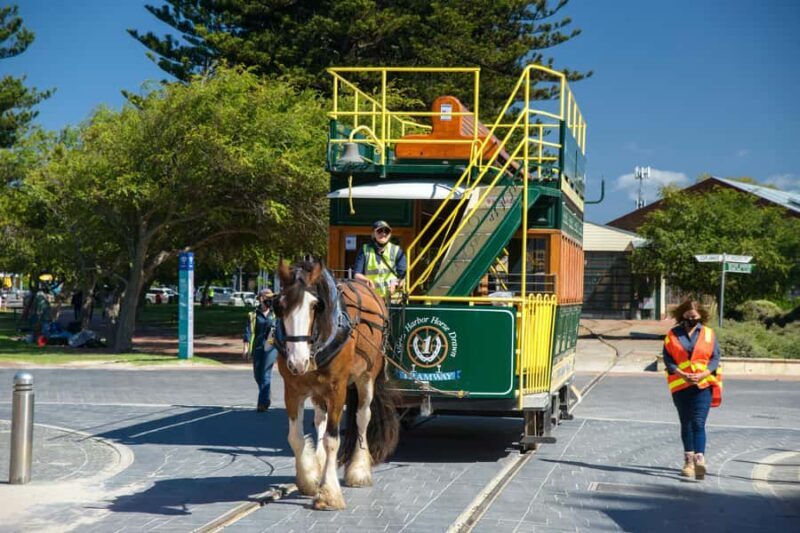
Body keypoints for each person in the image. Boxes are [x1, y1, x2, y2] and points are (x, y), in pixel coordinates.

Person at [663, 299, 723, 480]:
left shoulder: (708, 334)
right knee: (686, 423)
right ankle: (688, 461)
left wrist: (704, 374)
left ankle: (699, 461)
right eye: (688, 316)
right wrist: (681, 374)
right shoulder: (672, 334)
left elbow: (715, 358)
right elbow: (668, 359)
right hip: (681, 385)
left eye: (694, 317)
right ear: (682, 315)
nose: (691, 319)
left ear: (700, 317)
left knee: (698, 423)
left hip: (703, 385)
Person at [243, 288, 278, 412]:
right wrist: (246, 348)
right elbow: (248, 332)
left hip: (271, 347)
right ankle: (266, 394)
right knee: (257, 375)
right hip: (257, 346)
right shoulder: (253, 315)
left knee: (265, 373)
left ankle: (262, 403)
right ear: (261, 298)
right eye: (267, 297)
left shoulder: (276, 314)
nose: (270, 300)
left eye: (271, 298)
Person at [353, 220, 407, 298]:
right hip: (371, 298)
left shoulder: (397, 250)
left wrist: (395, 283)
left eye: (387, 231)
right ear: (373, 234)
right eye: (380, 231)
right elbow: (357, 274)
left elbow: (402, 277)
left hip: (393, 299)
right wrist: (367, 280)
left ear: (390, 234)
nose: (383, 234)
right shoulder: (364, 250)